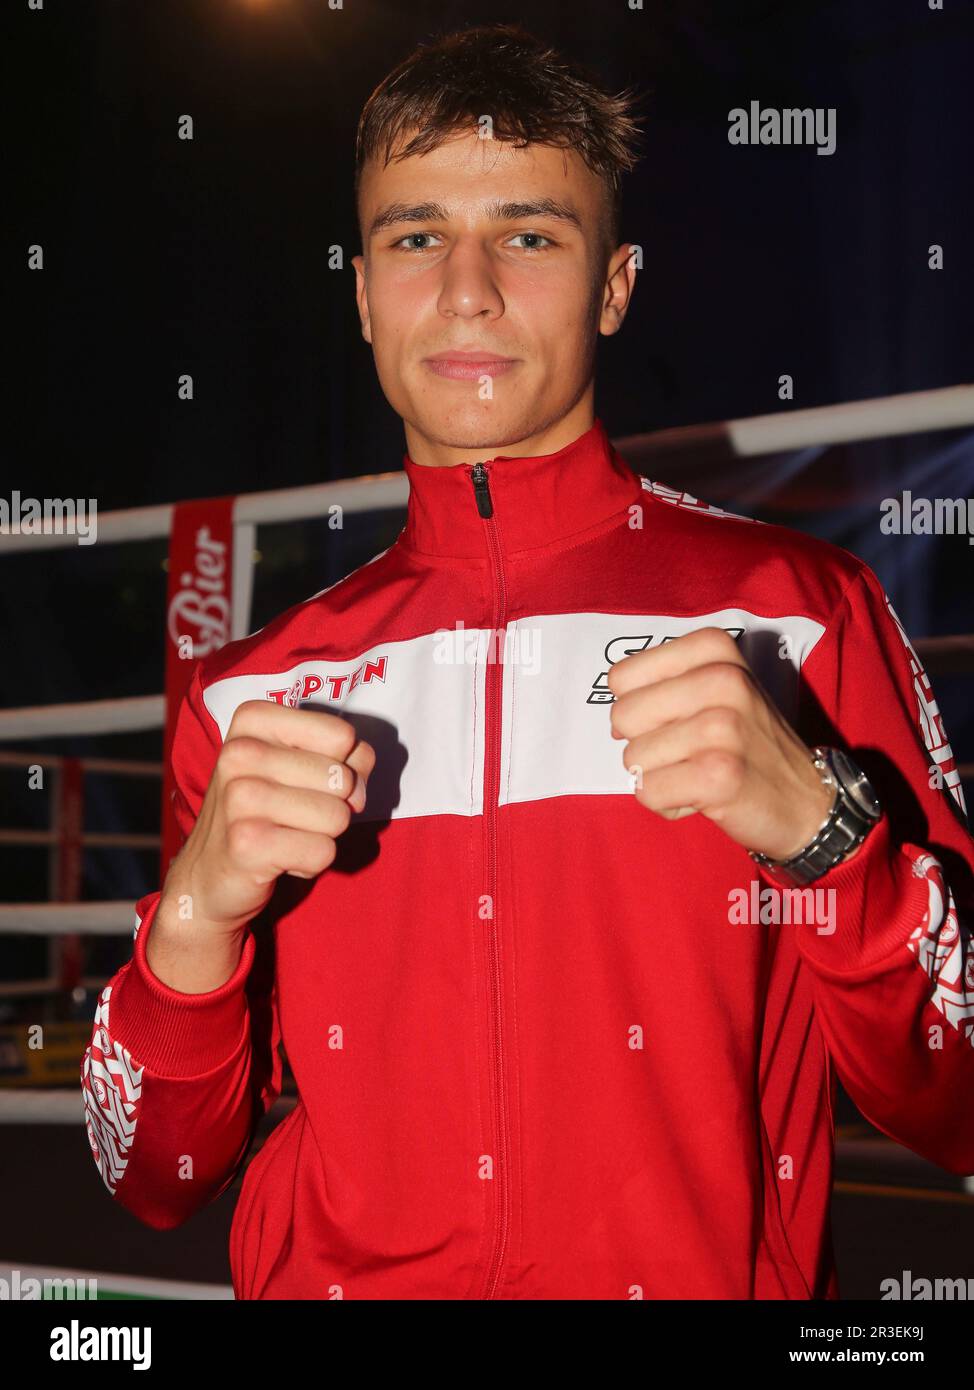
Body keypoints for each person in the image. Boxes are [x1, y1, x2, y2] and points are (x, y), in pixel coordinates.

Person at [81, 22, 974, 1300]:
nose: (465, 290)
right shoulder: (246, 689)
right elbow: (149, 1176)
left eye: (529, 235)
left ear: (613, 284)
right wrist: (193, 921)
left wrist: (829, 840)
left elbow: (959, 1103)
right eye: (413, 237)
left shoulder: (798, 613)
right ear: (361, 290)